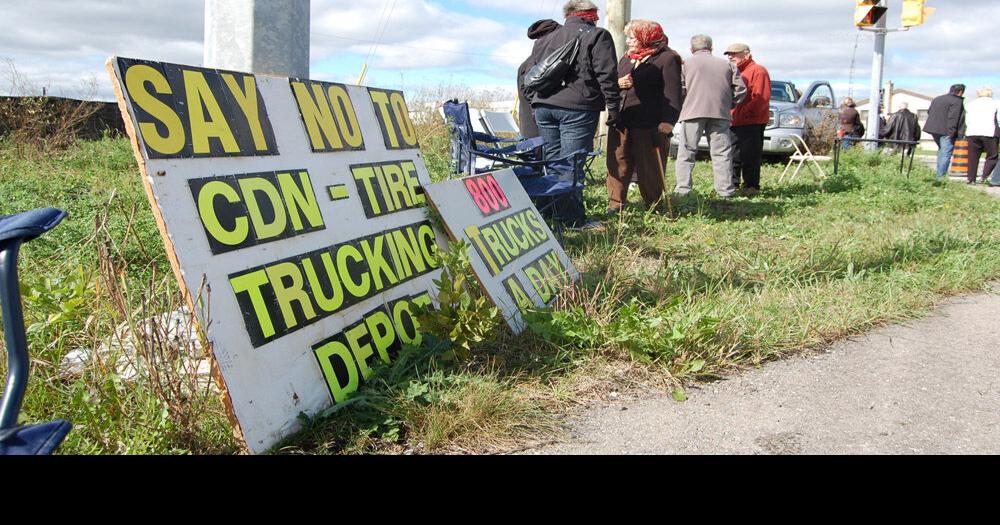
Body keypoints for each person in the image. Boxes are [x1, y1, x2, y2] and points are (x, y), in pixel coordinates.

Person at [529, 0, 621, 230]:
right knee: (571, 165)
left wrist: (535, 103)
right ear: (588, 15)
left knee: (551, 163)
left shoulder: (546, 38)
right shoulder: (597, 35)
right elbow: (606, 75)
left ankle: (550, 214)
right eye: (595, 14)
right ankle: (571, 221)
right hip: (577, 108)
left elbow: (531, 72)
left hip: (544, 107)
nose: (597, 18)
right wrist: (614, 107)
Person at [605, 20, 683, 214]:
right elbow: (615, 82)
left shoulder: (667, 58)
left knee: (649, 169)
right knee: (617, 163)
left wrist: (668, 121)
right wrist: (618, 83)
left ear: (646, 37)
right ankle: (616, 204)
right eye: (628, 37)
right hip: (622, 120)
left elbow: (673, 92)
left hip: (649, 123)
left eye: (632, 37)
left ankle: (653, 205)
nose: (628, 41)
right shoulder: (627, 57)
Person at [673, 34, 746, 198]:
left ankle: (682, 190)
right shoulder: (727, 65)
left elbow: (680, 89)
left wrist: (685, 103)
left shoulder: (685, 64)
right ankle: (725, 191)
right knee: (722, 153)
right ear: (711, 48)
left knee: (686, 152)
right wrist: (729, 104)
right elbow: (741, 89)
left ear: (692, 49)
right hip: (720, 113)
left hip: (692, 112)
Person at [725, 42, 770, 197]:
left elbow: (760, 99)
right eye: (729, 54)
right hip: (736, 120)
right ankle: (734, 184)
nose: (731, 57)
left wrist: (740, 113)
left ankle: (751, 185)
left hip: (752, 121)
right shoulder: (735, 71)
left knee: (750, 155)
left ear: (747, 54)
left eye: (735, 54)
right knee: (733, 154)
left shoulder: (758, 71)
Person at [517, 19, 561, 159]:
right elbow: (529, 88)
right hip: (534, 124)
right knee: (537, 164)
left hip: (534, 120)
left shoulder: (535, 59)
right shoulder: (533, 62)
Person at [923, 84, 967, 180]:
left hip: (934, 129)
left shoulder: (938, 99)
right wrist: (951, 133)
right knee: (946, 153)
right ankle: (940, 177)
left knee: (942, 151)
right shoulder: (956, 101)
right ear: (960, 92)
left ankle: (939, 174)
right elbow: (953, 118)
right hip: (946, 131)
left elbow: (929, 111)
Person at [962, 86, 999, 184]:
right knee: (992, 156)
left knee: (973, 157)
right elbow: (998, 119)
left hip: (972, 132)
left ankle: (971, 178)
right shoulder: (995, 103)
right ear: (990, 94)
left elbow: (967, 119)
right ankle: (984, 176)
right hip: (989, 132)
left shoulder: (970, 104)